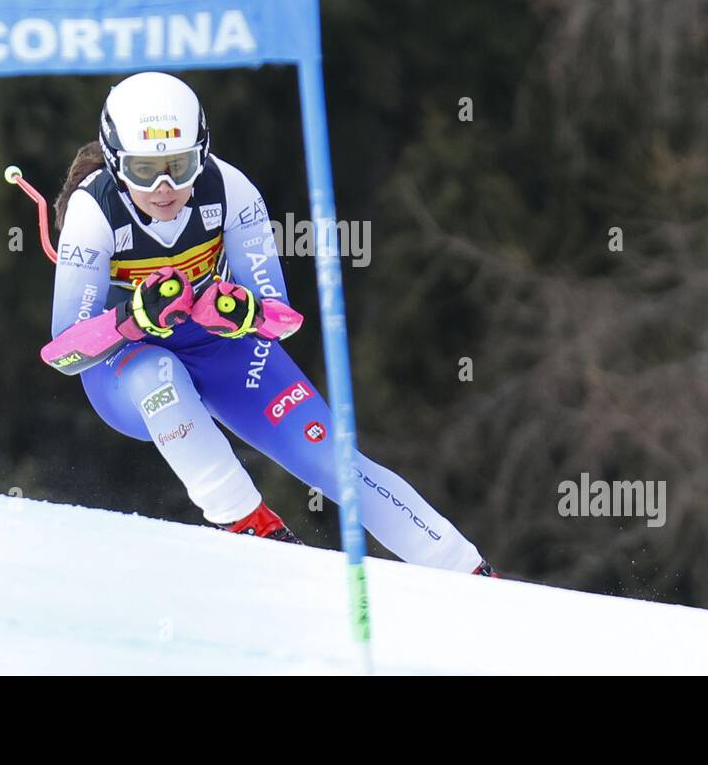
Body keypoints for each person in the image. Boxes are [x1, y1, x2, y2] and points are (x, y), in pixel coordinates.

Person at [51, 70, 496, 576]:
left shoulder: (230, 188)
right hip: (127, 373)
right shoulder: (94, 212)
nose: (165, 187)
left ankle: (469, 572)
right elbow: (66, 352)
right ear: (114, 161)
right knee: (158, 374)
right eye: (144, 169)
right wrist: (132, 319)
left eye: (179, 165)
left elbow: (279, 318)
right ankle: (246, 521)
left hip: (219, 351)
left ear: (203, 150)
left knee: (333, 458)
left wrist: (240, 312)